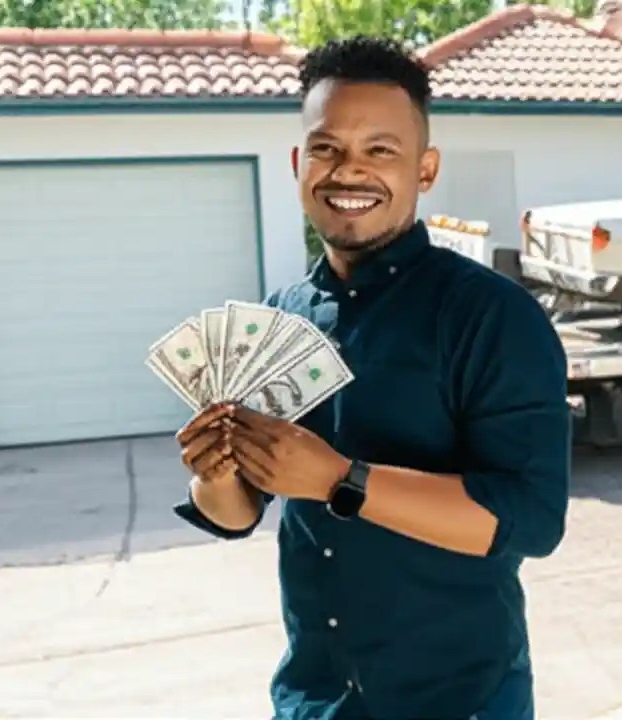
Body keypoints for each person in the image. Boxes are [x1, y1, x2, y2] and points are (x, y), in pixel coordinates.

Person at [171, 35, 571, 720]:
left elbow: (531, 522)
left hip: (462, 701)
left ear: (425, 169)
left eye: (380, 150)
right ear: (300, 164)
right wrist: (214, 473)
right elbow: (238, 517)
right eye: (327, 149)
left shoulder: (491, 317)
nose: (349, 171)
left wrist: (339, 479)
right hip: (315, 702)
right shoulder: (279, 320)